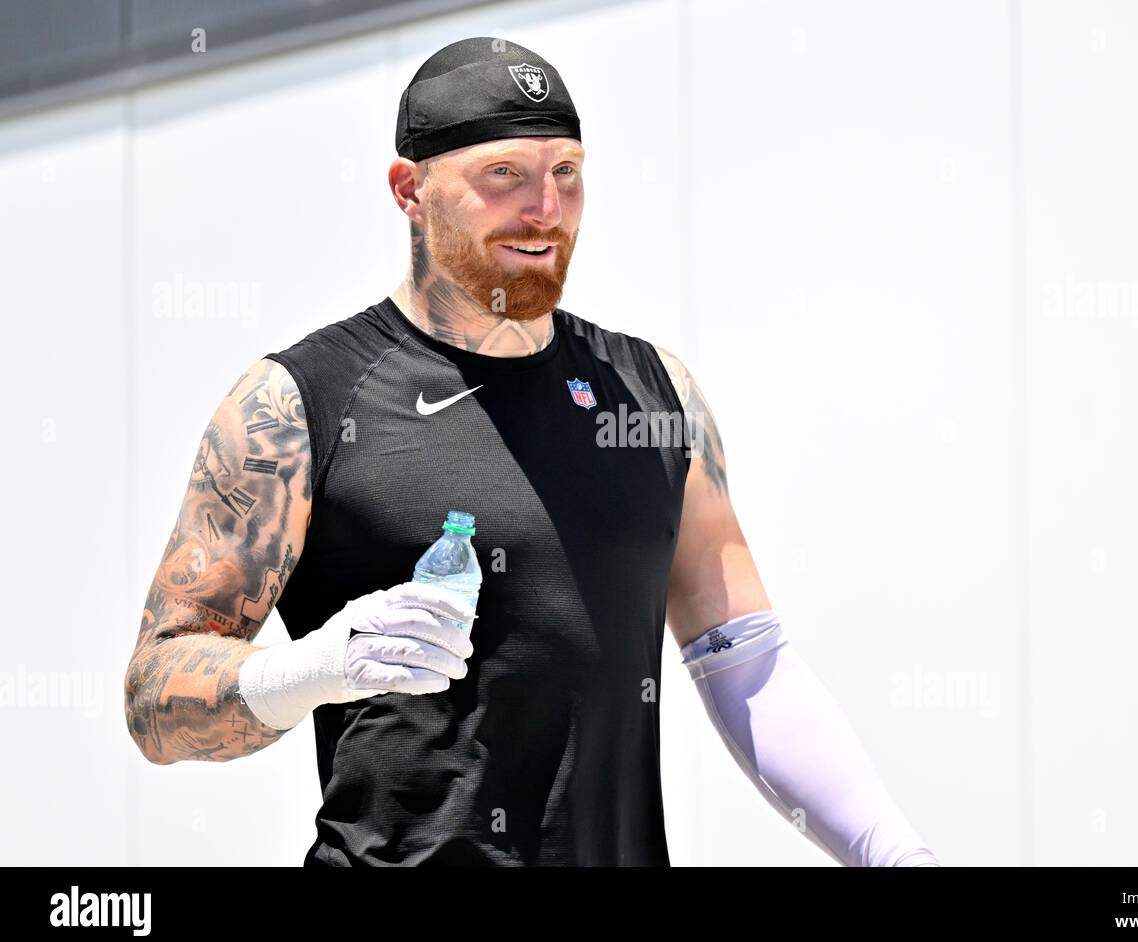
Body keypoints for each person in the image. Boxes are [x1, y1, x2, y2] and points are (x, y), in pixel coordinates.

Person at [123, 36, 940, 867]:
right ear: (411, 189)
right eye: (504, 175)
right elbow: (153, 699)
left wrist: (891, 851)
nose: (546, 210)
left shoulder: (655, 397)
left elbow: (748, 666)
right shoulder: (299, 403)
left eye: (567, 174)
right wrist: (314, 669)